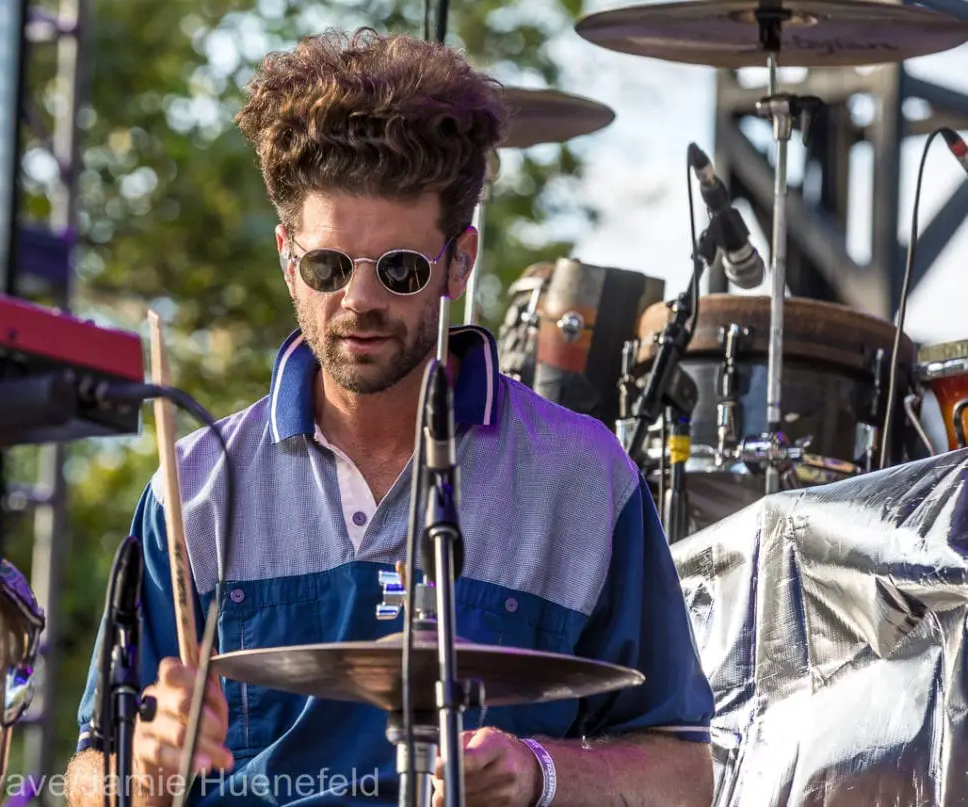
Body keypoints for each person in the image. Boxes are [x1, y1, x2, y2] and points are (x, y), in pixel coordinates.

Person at [65, 27, 715, 807]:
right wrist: (140, 774)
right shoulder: (195, 483)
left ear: (459, 263)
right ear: (286, 257)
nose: (360, 300)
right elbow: (87, 772)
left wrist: (539, 774)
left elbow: (683, 772)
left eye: (400, 270)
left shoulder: (584, 477)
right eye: (327, 267)